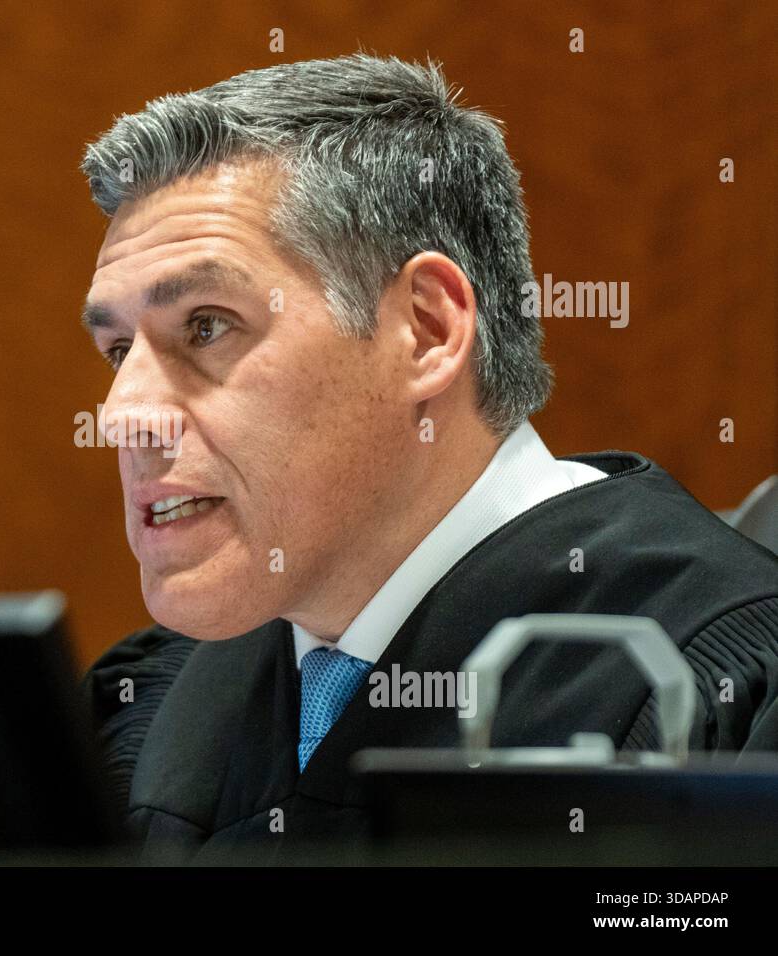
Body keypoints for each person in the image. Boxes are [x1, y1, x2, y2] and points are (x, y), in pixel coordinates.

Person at [76, 53, 778, 861]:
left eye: (204, 325)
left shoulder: (727, 689)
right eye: (118, 349)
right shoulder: (153, 707)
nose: (121, 414)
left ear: (428, 330)